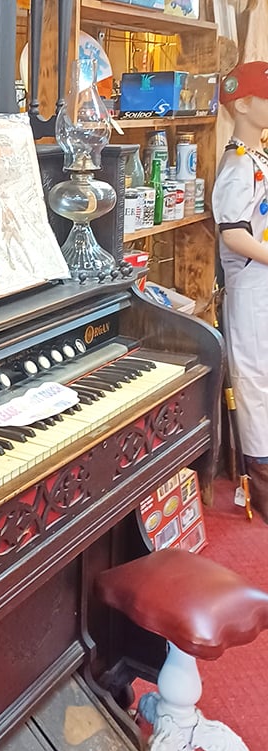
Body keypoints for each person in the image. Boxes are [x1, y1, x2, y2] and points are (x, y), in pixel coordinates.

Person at [212, 61, 268, 522]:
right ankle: (262, 483)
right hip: (250, 287)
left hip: (263, 283)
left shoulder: (256, 157)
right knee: (254, 383)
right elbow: (233, 233)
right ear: (244, 103)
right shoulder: (236, 164)